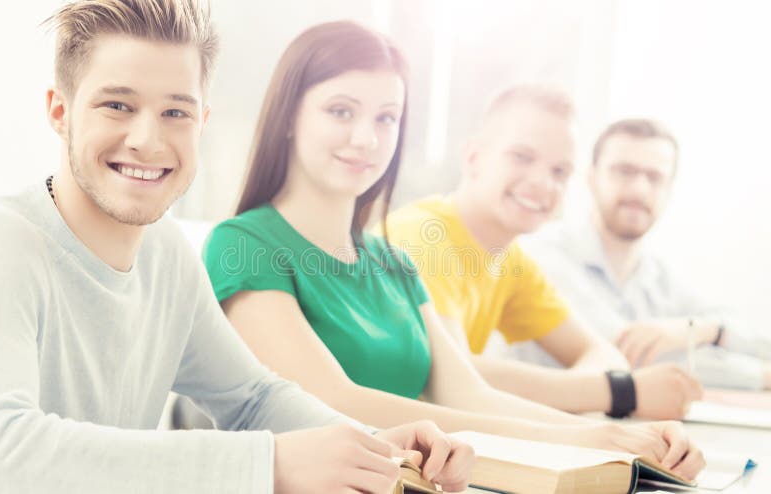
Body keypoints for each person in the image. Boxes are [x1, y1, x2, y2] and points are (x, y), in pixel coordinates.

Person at [0, 2, 475, 493]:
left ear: (202, 124)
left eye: (175, 112)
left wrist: (371, 447)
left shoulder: (166, 254)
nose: (148, 139)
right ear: (60, 111)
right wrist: (268, 465)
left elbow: (253, 398)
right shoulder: (0, 241)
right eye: (117, 105)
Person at [203, 21, 705, 480]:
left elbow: (469, 393)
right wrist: (588, 436)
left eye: (386, 118)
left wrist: (610, 439)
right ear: (290, 116)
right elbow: (335, 400)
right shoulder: (241, 246)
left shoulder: (393, 263)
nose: (366, 138)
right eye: (340, 111)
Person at [383, 86, 703, 421]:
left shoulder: (512, 261)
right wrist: (614, 392)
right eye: (522, 157)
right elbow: (451, 379)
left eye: (559, 172)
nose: (542, 183)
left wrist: (588, 390)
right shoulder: (425, 237)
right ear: (473, 158)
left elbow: (603, 354)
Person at [519, 118, 771, 390]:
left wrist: (709, 330)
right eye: (624, 172)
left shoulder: (660, 277)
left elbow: (755, 334)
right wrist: (761, 376)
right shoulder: (543, 255)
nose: (639, 189)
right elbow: (631, 358)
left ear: (669, 190)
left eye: (654, 177)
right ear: (591, 178)